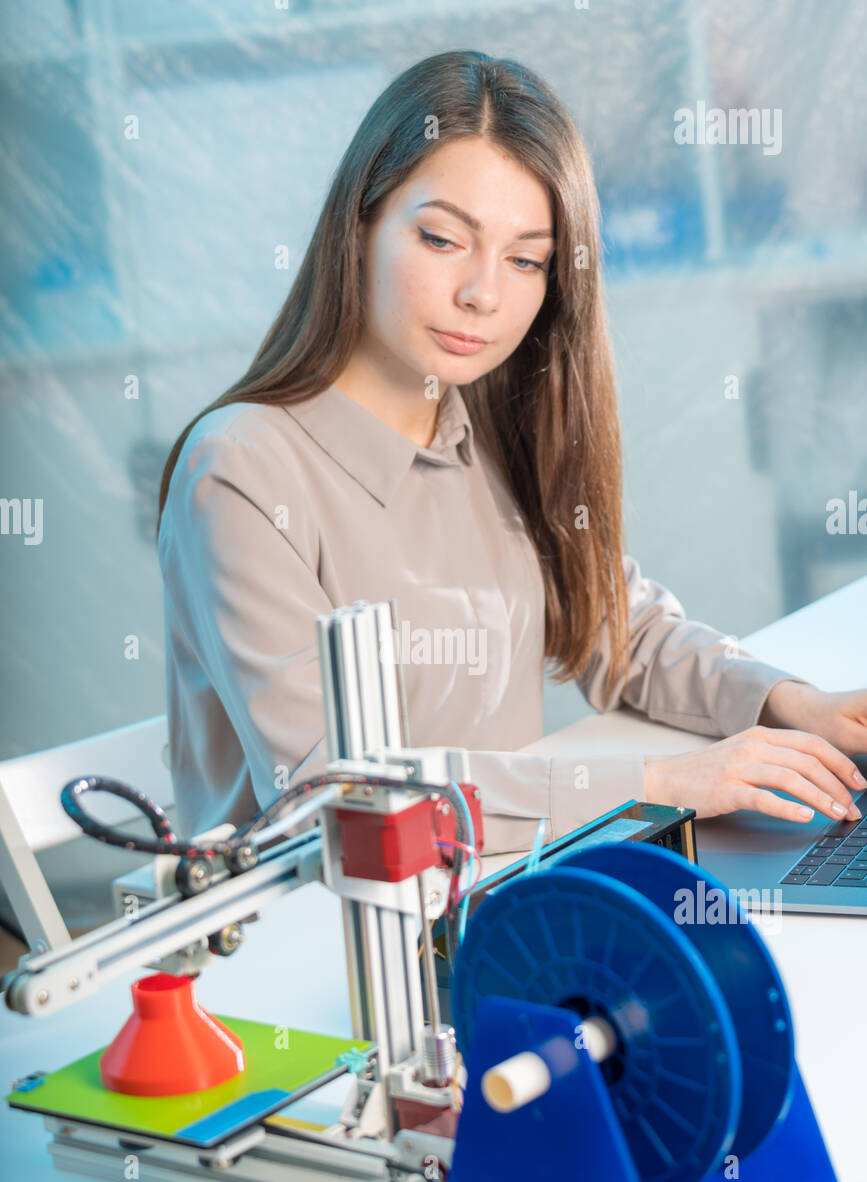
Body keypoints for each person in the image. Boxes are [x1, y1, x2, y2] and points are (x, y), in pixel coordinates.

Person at [156, 50, 865, 857]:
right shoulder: (241, 470)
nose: (483, 295)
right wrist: (657, 784)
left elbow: (617, 627)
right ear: (359, 225)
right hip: (329, 933)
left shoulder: (483, 430)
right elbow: (338, 796)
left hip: (502, 887)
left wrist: (785, 702)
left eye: (526, 259)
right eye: (441, 238)